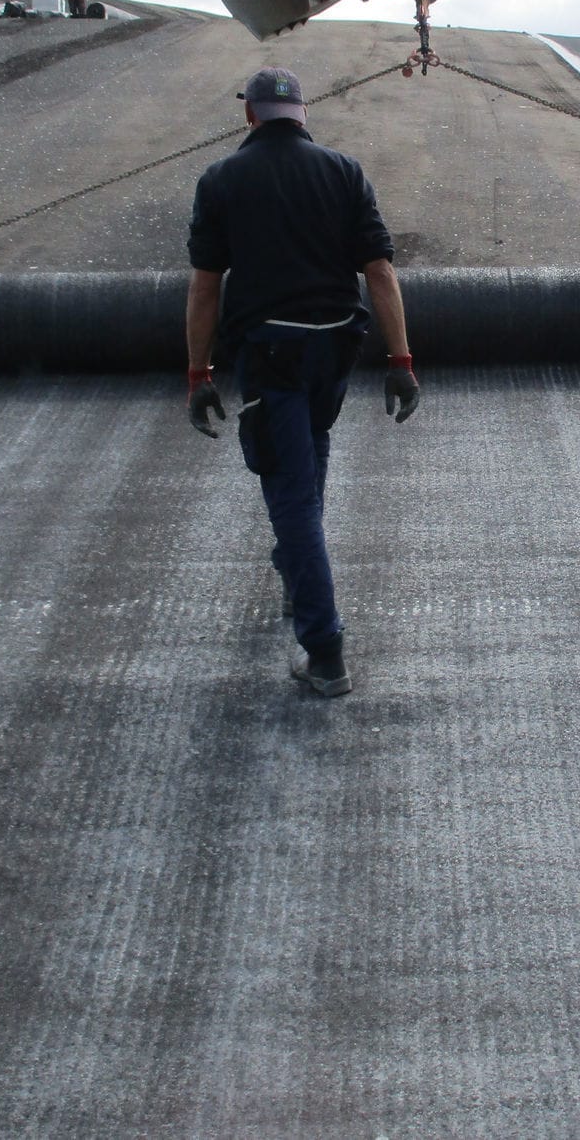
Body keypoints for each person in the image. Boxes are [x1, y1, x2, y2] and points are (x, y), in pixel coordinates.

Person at [185, 67, 420, 696]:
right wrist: (400, 362)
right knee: (308, 452)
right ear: (303, 113)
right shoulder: (344, 172)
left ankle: (324, 651)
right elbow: (380, 271)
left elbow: (207, 285)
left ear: (250, 116)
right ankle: (294, 574)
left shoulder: (222, 180)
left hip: (272, 352)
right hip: (337, 348)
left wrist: (198, 373)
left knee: (289, 491)